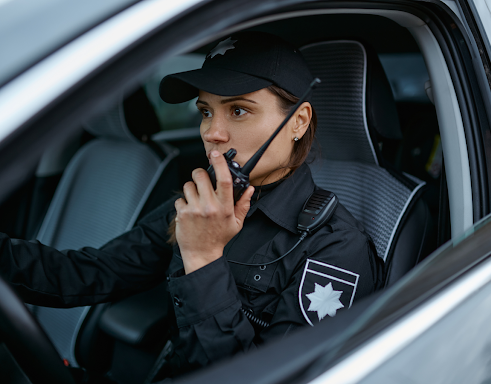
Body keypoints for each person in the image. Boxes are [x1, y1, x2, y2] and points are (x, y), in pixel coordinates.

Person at [0, 32, 383, 378]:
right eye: (205, 111)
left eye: (238, 110)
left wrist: (203, 258)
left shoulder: (335, 250)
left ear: (298, 122)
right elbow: (89, 273)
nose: (212, 133)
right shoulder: (200, 204)